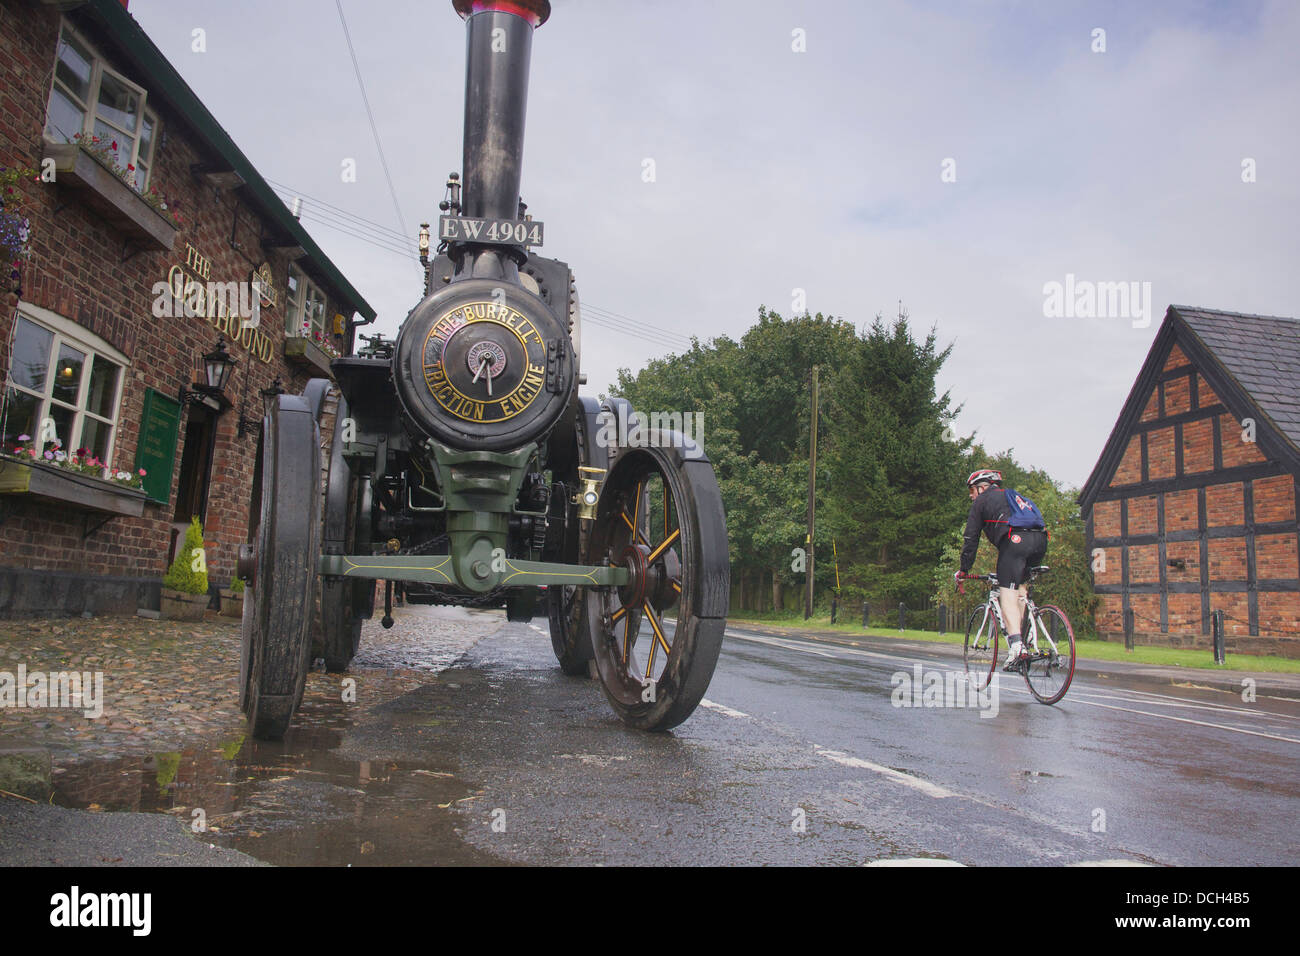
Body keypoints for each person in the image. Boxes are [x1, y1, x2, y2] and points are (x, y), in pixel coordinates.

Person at [956, 469, 1048, 669]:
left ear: (982, 488)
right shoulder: (1013, 496)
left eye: (972, 490)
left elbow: (970, 539)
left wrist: (963, 570)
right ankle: (1026, 636)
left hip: (1015, 541)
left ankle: (1017, 647)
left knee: (1007, 592)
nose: (971, 496)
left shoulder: (981, 502)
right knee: (1020, 589)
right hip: (1040, 540)